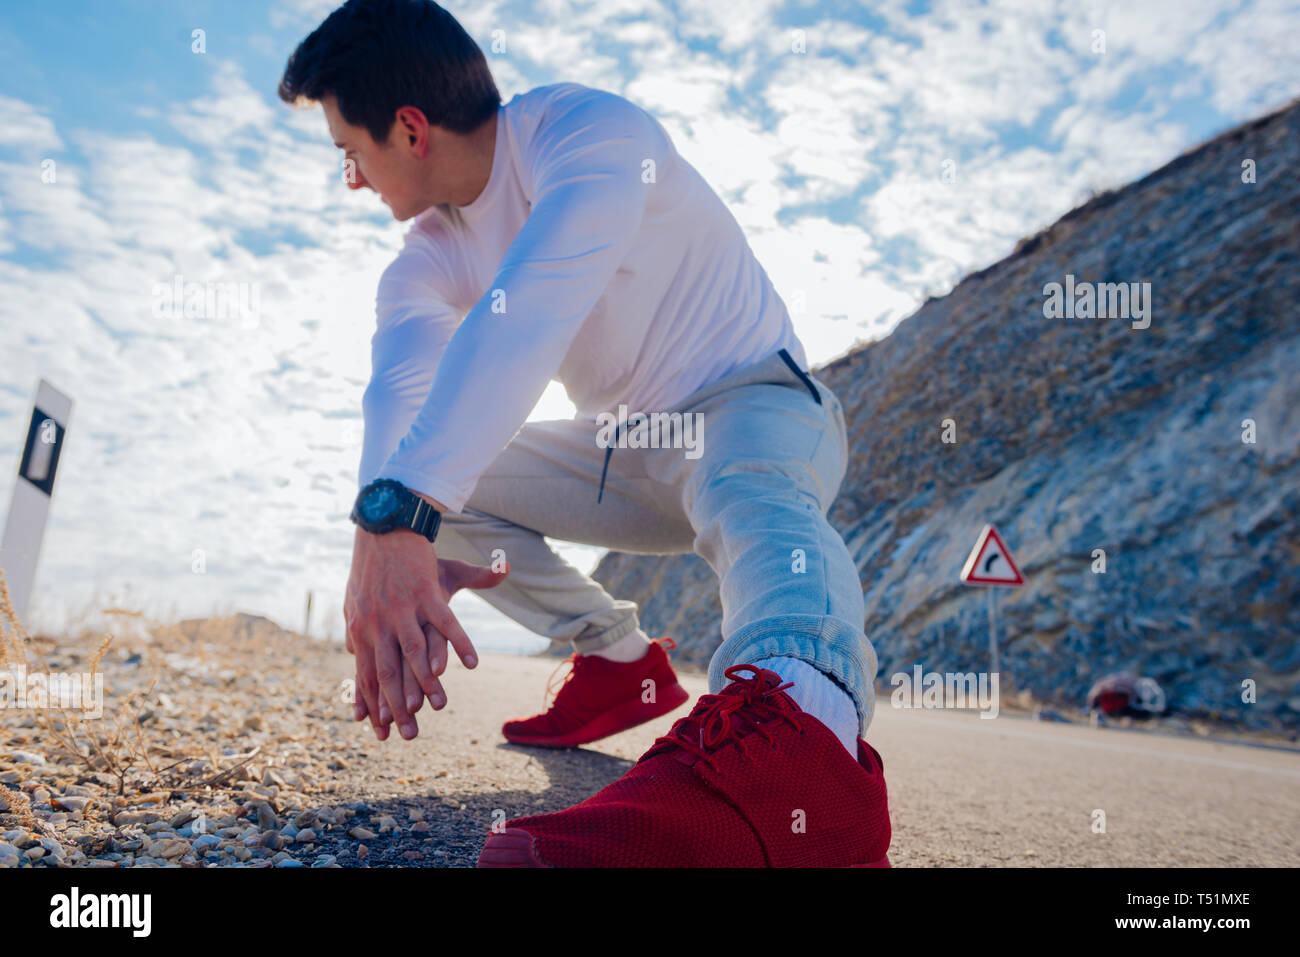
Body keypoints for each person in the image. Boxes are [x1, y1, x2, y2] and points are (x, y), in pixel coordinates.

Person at [279, 0, 891, 867]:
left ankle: (807, 746)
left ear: (409, 129)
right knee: (432, 491)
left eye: (351, 152)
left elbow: (529, 307)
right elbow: (402, 392)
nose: (351, 179)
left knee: (749, 491)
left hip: (756, 401)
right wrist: (384, 530)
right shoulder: (425, 256)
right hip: (624, 451)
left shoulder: (589, 131)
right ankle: (617, 658)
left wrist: (399, 509)